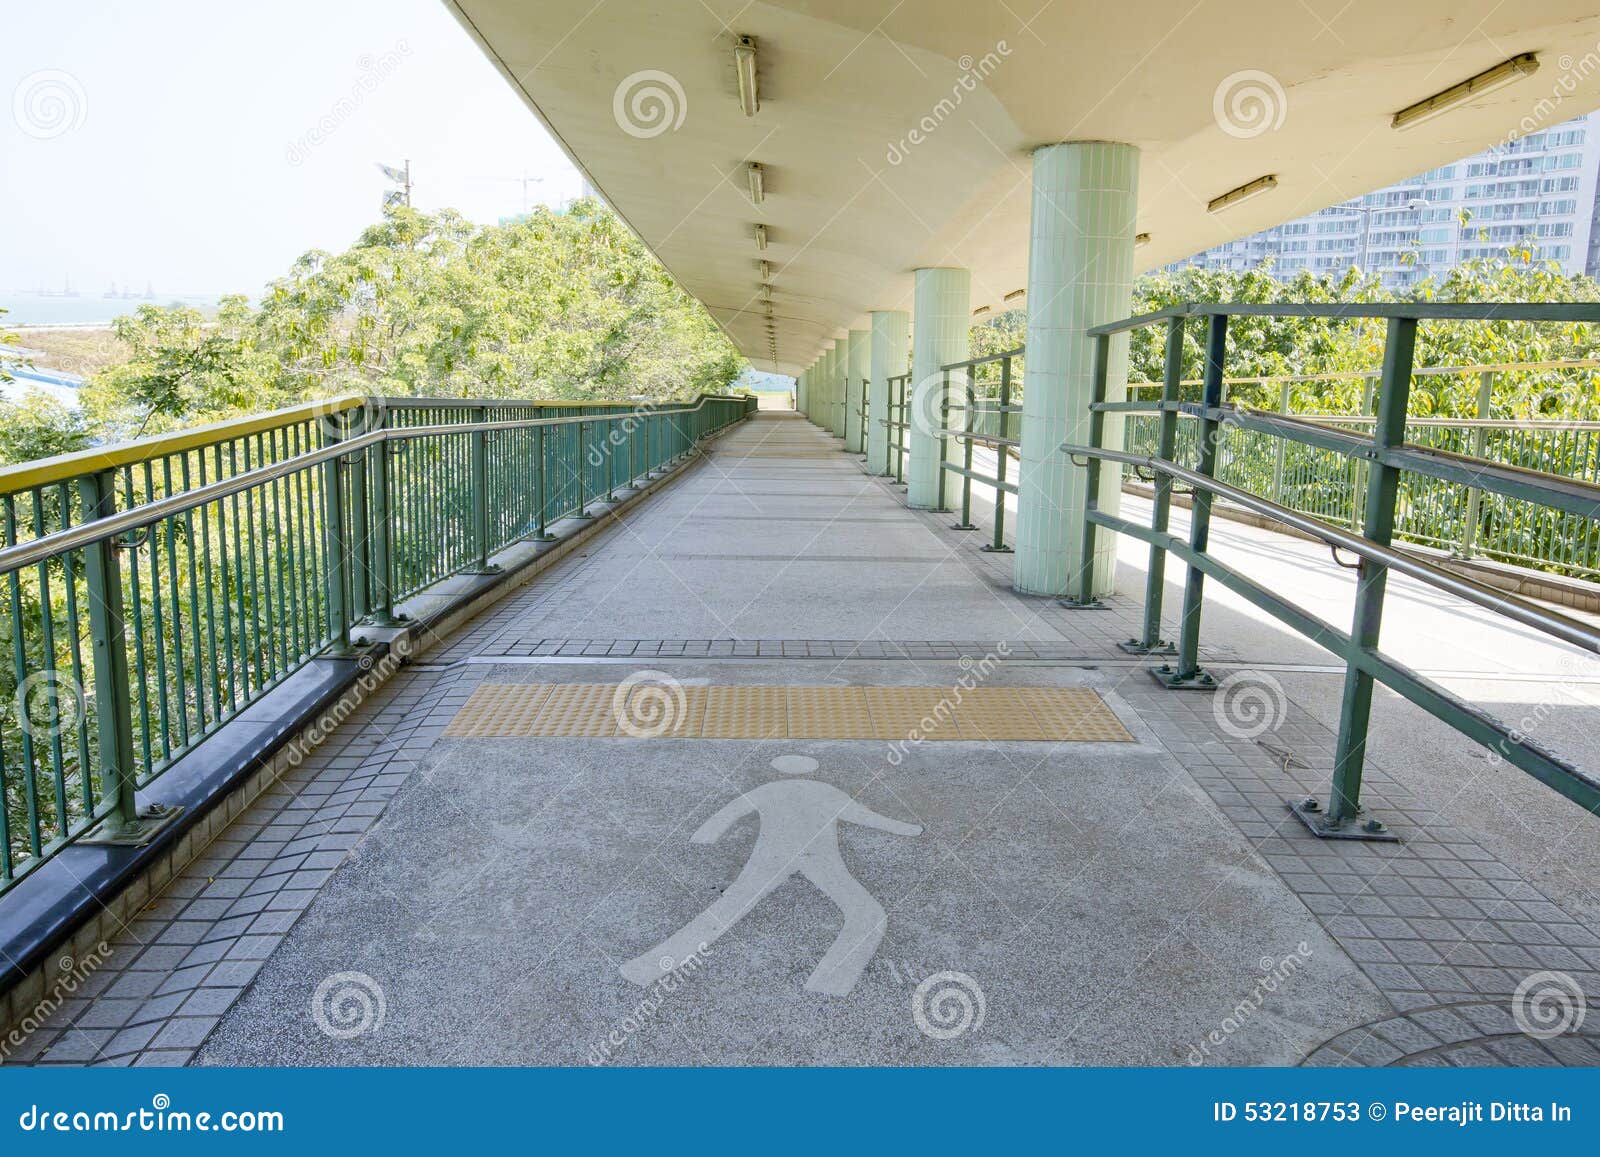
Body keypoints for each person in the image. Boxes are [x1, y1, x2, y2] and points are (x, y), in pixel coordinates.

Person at [621, 754, 922, 996]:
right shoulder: (827, 792)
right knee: (866, 913)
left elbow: (730, 812)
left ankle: (647, 967)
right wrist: (908, 829)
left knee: (728, 909)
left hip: (769, 858)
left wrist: (706, 836)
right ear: (810, 770)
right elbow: (867, 817)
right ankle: (829, 984)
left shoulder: (768, 790)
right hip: (820, 860)